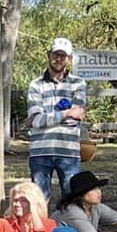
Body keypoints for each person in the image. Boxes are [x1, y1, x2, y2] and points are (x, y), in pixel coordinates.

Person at [24, 38, 88, 203]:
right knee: (39, 202)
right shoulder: (35, 85)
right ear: (48, 55)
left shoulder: (78, 84)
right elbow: (36, 120)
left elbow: (75, 120)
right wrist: (67, 113)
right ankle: (40, 229)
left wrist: (44, 117)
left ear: (69, 59)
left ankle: (67, 230)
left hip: (68, 152)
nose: (58, 59)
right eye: (55, 54)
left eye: (63, 55)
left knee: (72, 200)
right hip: (40, 151)